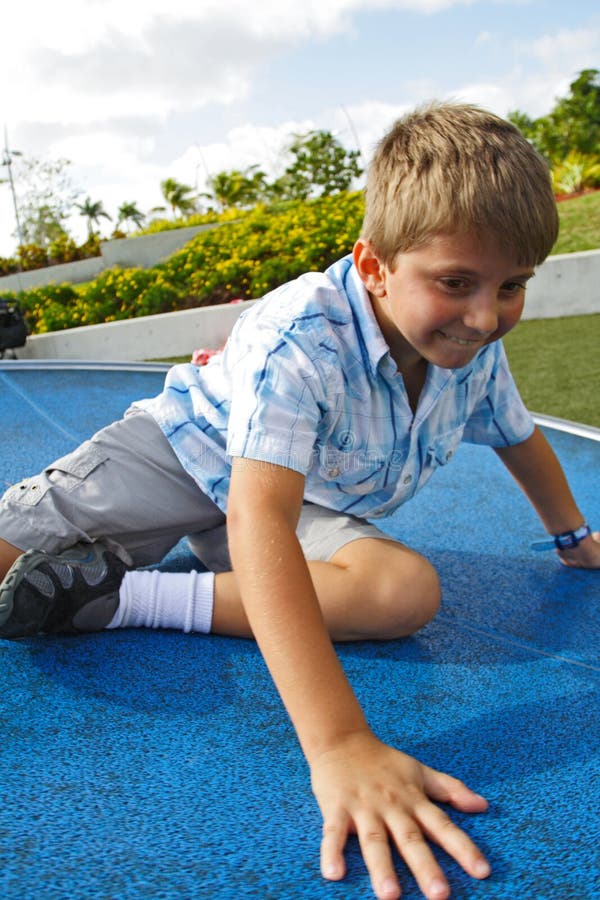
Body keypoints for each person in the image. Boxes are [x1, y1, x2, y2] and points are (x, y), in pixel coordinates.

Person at [0, 102, 598, 900]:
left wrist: (573, 536)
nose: (487, 317)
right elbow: (259, 518)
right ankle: (93, 567)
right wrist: (340, 743)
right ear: (375, 265)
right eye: (456, 283)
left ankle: (113, 597)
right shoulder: (301, 335)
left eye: (512, 285)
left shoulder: (471, 351)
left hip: (293, 495)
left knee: (404, 592)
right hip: (188, 452)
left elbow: (519, 437)